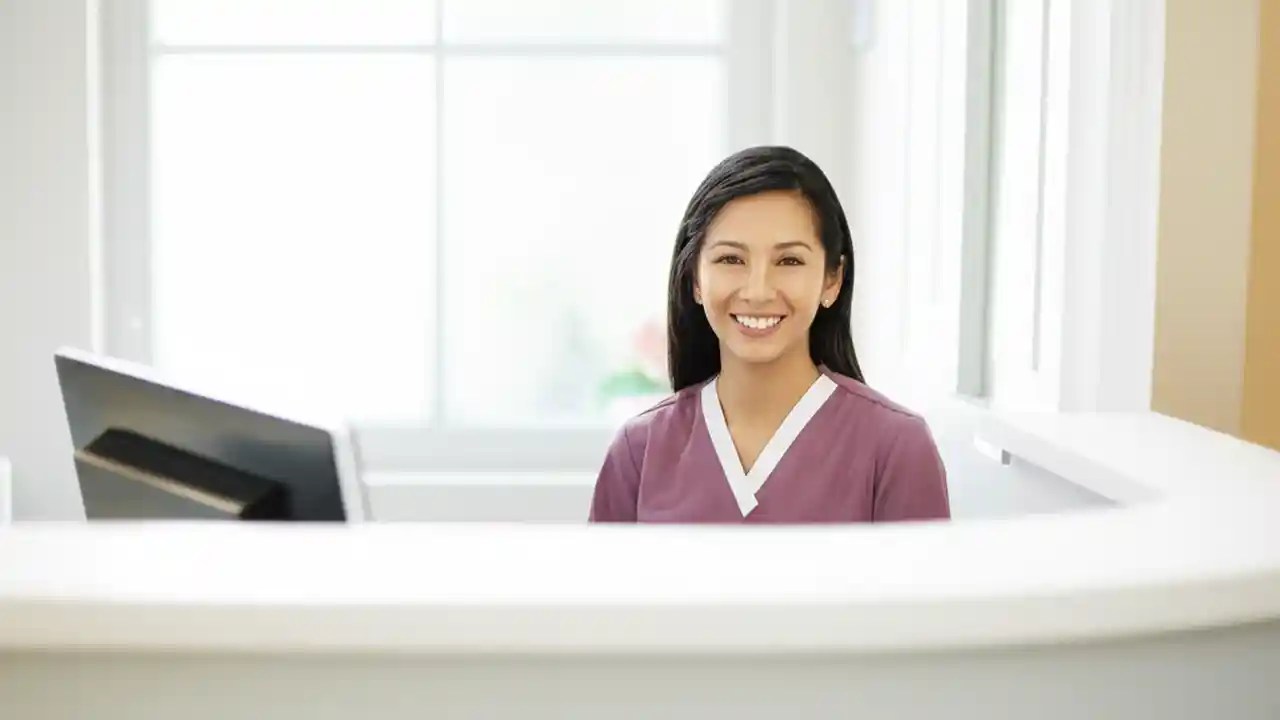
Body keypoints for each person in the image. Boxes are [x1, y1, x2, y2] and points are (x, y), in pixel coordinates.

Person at [589, 146, 950, 523]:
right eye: (731, 259)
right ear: (695, 278)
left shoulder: (898, 448)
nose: (758, 291)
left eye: (789, 261)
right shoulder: (638, 451)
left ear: (833, 280)